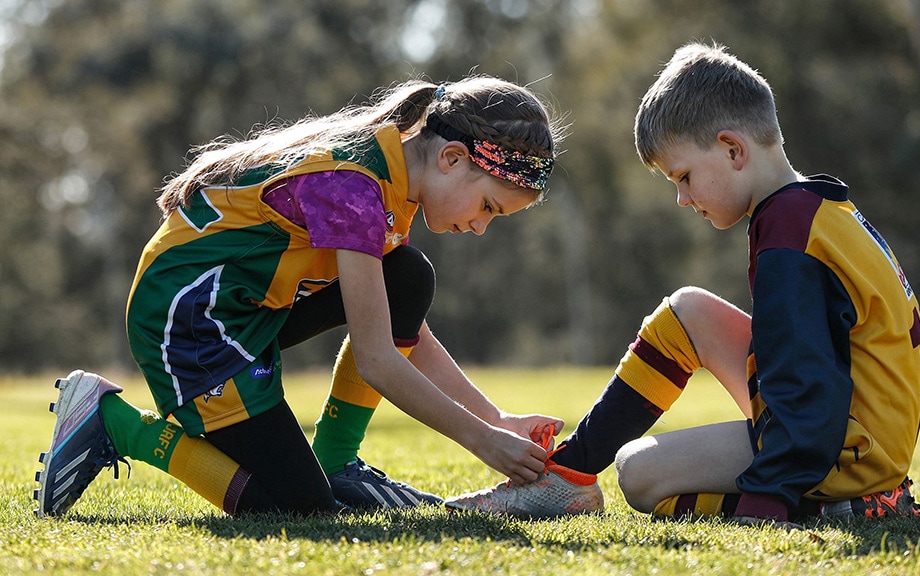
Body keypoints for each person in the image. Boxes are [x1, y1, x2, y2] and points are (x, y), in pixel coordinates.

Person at [34, 76, 566, 518]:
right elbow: (378, 360)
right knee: (300, 509)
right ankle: (115, 423)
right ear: (451, 158)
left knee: (406, 277)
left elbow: (403, 330)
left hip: (244, 308)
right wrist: (482, 442)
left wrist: (497, 419)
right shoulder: (354, 188)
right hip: (190, 324)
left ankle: (338, 462)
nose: (479, 227)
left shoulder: (392, 177)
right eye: (488, 208)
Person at [446, 42, 920, 526]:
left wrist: (767, 500)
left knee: (639, 473)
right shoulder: (814, 209)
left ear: (733, 150)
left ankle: (839, 505)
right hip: (855, 432)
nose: (681, 198)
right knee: (687, 312)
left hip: (843, 451)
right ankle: (567, 475)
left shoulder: (787, 235)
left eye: (684, 176)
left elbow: (805, 386)